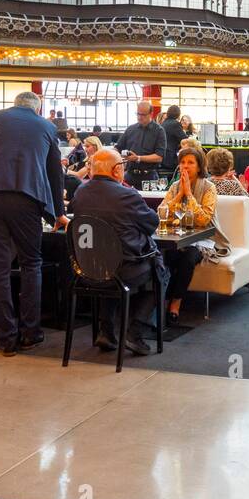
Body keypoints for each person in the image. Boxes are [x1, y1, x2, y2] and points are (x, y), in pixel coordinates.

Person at [0, 91, 67, 355]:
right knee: (31, 264)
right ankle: (31, 333)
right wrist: (58, 212)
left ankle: (6, 339)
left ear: (14, 105)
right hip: (27, 198)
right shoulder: (47, 126)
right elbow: (54, 174)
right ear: (37, 109)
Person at [67, 148, 164, 355]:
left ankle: (106, 331)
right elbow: (152, 223)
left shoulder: (81, 192)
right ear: (117, 170)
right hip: (124, 270)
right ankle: (135, 333)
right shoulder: (127, 195)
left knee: (106, 263)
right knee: (161, 272)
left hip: (86, 270)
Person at [158, 147, 215, 323]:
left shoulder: (208, 187)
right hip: (176, 237)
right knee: (168, 255)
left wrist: (189, 195)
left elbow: (204, 220)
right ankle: (161, 301)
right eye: (182, 162)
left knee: (188, 258)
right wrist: (180, 195)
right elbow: (161, 215)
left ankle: (175, 302)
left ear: (199, 166)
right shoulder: (175, 187)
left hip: (201, 239)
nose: (185, 166)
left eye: (190, 162)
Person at [118, 100, 166, 188]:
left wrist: (138, 158)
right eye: (138, 114)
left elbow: (159, 157)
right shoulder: (130, 129)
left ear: (151, 114)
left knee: (150, 201)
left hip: (150, 177)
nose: (140, 117)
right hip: (129, 176)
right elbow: (118, 148)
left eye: (143, 115)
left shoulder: (159, 131)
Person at [162, 104, 185, 173]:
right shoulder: (175, 124)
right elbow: (184, 140)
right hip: (170, 159)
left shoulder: (164, 123)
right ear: (178, 114)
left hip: (163, 157)